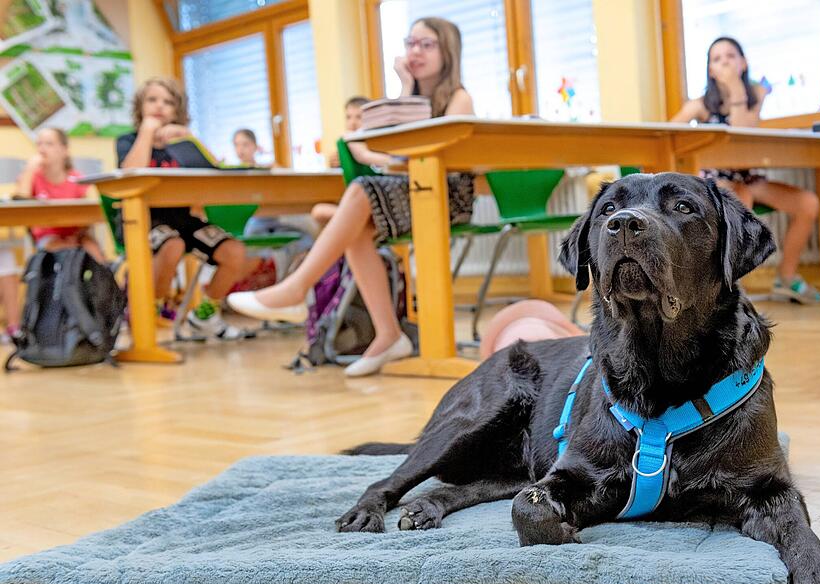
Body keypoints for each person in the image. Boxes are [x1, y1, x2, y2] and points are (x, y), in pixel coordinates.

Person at [230, 17, 475, 376]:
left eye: (427, 44)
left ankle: (297, 289)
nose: (415, 51)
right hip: (413, 191)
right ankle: (389, 335)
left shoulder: (458, 98)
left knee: (360, 191)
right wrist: (405, 86)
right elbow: (398, 153)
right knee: (358, 231)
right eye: (411, 43)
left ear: (447, 52)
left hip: (445, 195)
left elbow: (421, 160)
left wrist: (372, 155)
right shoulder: (412, 97)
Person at [671, 36, 820, 304]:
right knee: (740, 198)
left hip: (748, 176)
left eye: (730, 56)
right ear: (710, 70)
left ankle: (786, 277)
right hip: (714, 178)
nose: (725, 62)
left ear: (743, 63)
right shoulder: (700, 105)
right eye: (717, 59)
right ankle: (726, 287)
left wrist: (737, 90)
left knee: (807, 203)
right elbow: (668, 135)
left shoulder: (755, 96)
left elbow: (741, 133)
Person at [116, 77, 248, 339]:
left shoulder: (182, 145)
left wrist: (188, 138)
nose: (159, 106)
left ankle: (205, 317)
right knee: (172, 244)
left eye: (168, 102)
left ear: (178, 111)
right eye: (152, 100)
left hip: (183, 219)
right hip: (143, 220)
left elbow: (212, 173)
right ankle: (147, 313)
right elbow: (130, 175)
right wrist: (146, 133)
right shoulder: (127, 140)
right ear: (140, 106)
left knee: (234, 251)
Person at [13, 127, 105, 263]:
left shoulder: (76, 179)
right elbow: (20, 202)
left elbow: (90, 211)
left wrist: (76, 236)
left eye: (49, 144)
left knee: (96, 255)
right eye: (39, 144)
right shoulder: (32, 177)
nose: (42, 149)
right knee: (66, 253)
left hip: (77, 235)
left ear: (64, 150)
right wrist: (30, 169)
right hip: (47, 237)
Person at [313, 97, 395, 225]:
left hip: (372, 200)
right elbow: (362, 157)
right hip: (361, 197)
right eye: (348, 117)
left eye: (358, 117)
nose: (353, 122)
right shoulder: (348, 139)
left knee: (320, 212)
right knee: (320, 212)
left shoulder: (371, 141)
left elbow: (364, 156)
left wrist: (396, 160)